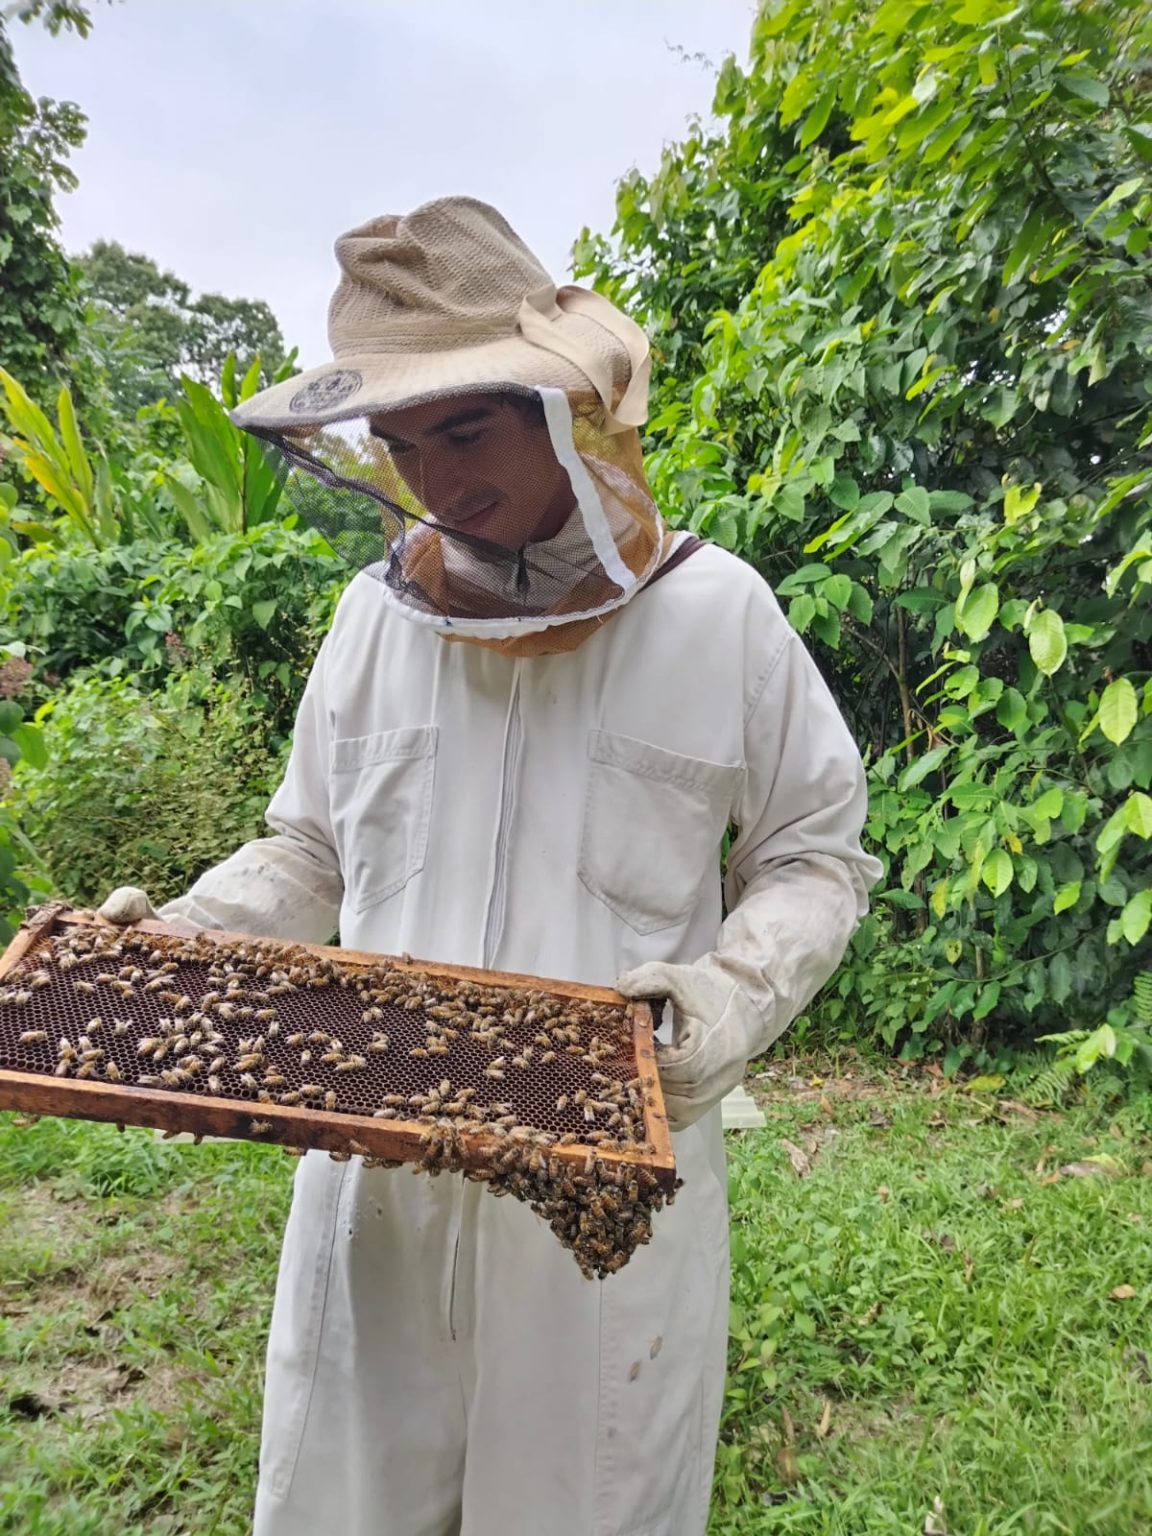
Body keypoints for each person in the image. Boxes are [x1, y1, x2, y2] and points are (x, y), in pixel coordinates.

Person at [99, 196, 881, 1536]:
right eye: (401, 442)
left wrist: (734, 997)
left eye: (465, 427)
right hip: (374, 1203)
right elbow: (312, 849)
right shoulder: (370, 624)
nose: (435, 476)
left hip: (602, 1219)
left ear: (562, 410)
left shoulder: (720, 618)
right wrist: (177, 943)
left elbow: (816, 853)